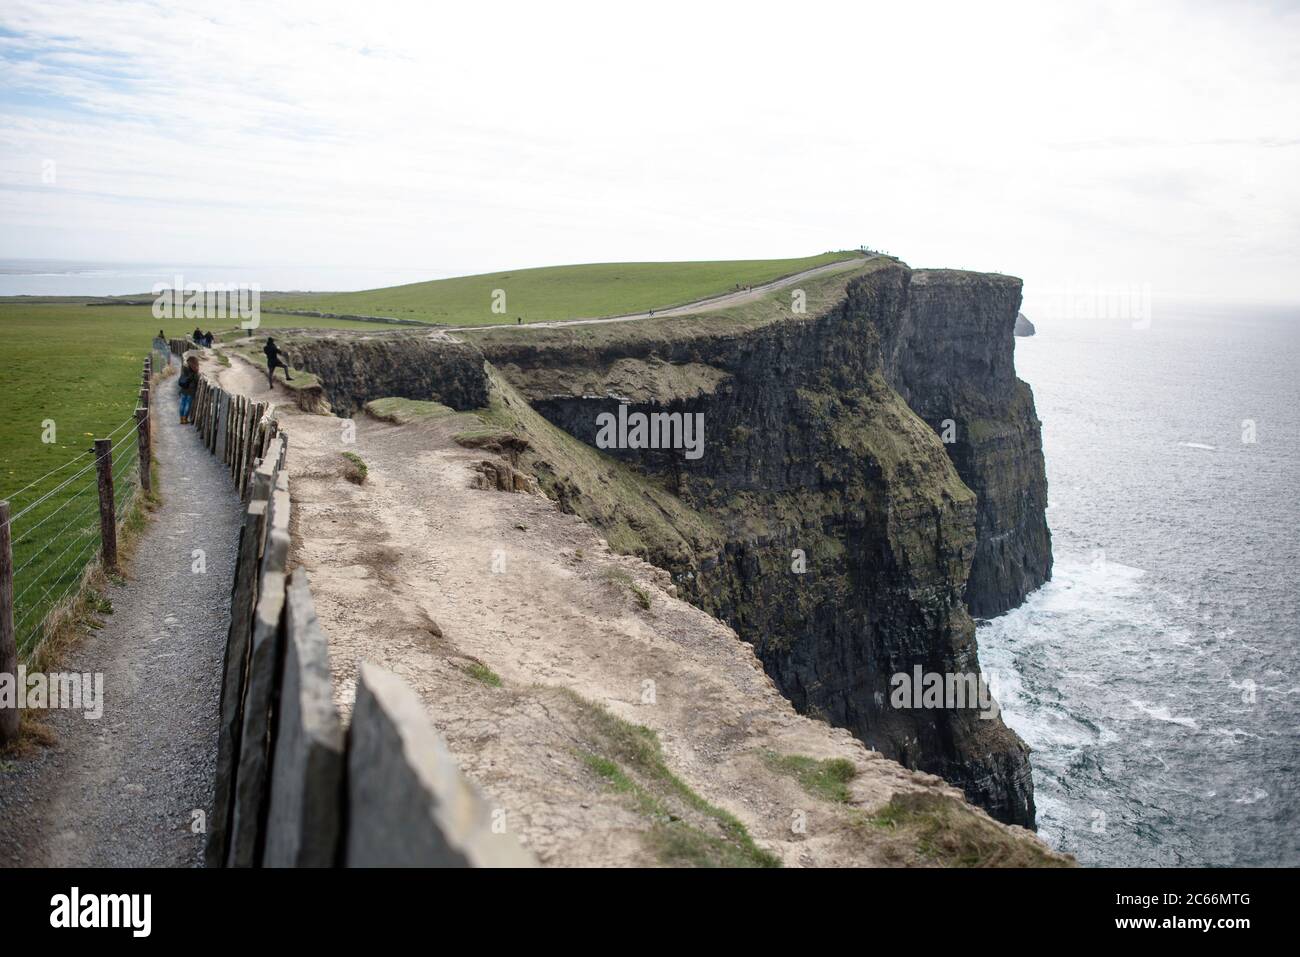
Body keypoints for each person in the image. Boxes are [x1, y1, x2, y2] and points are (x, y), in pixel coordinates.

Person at [178, 355, 200, 424]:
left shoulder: (185, 369)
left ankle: (181, 419)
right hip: (190, 390)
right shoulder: (194, 371)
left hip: (183, 389)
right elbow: (196, 380)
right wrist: (197, 373)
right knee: (187, 404)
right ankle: (185, 419)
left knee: (182, 404)